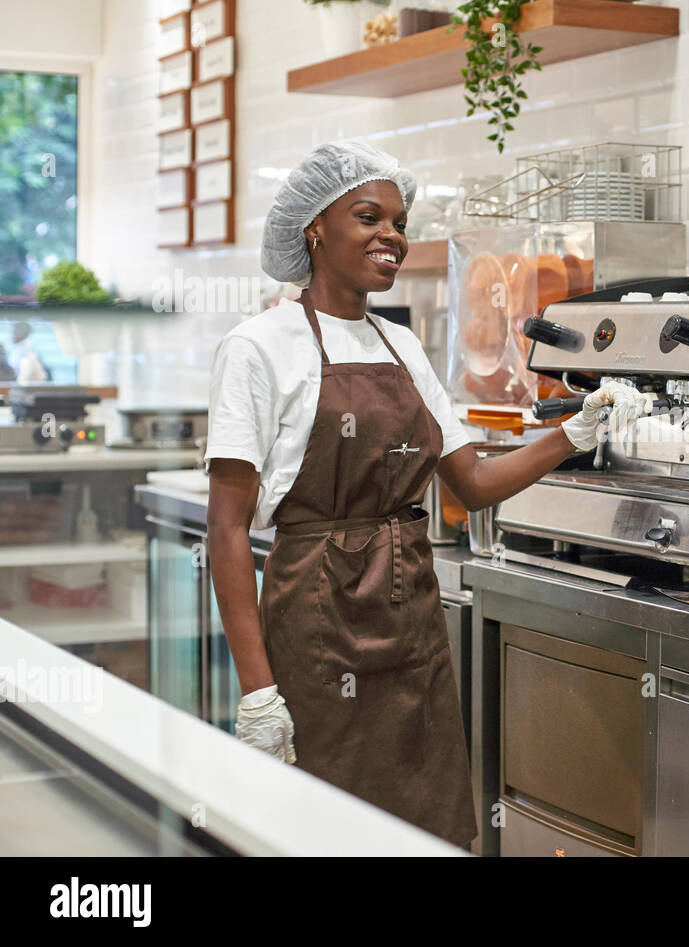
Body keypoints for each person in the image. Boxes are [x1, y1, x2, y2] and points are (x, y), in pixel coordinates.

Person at [205, 141, 649, 847]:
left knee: (425, 821)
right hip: (316, 617)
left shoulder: (401, 348)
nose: (392, 236)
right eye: (369, 217)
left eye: (400, 222)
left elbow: (472, 483)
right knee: (323, 830)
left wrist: (577, 434)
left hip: (410, 613)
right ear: (314, 228)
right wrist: (259, 691)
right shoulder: (259, 346)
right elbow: (225, 530)